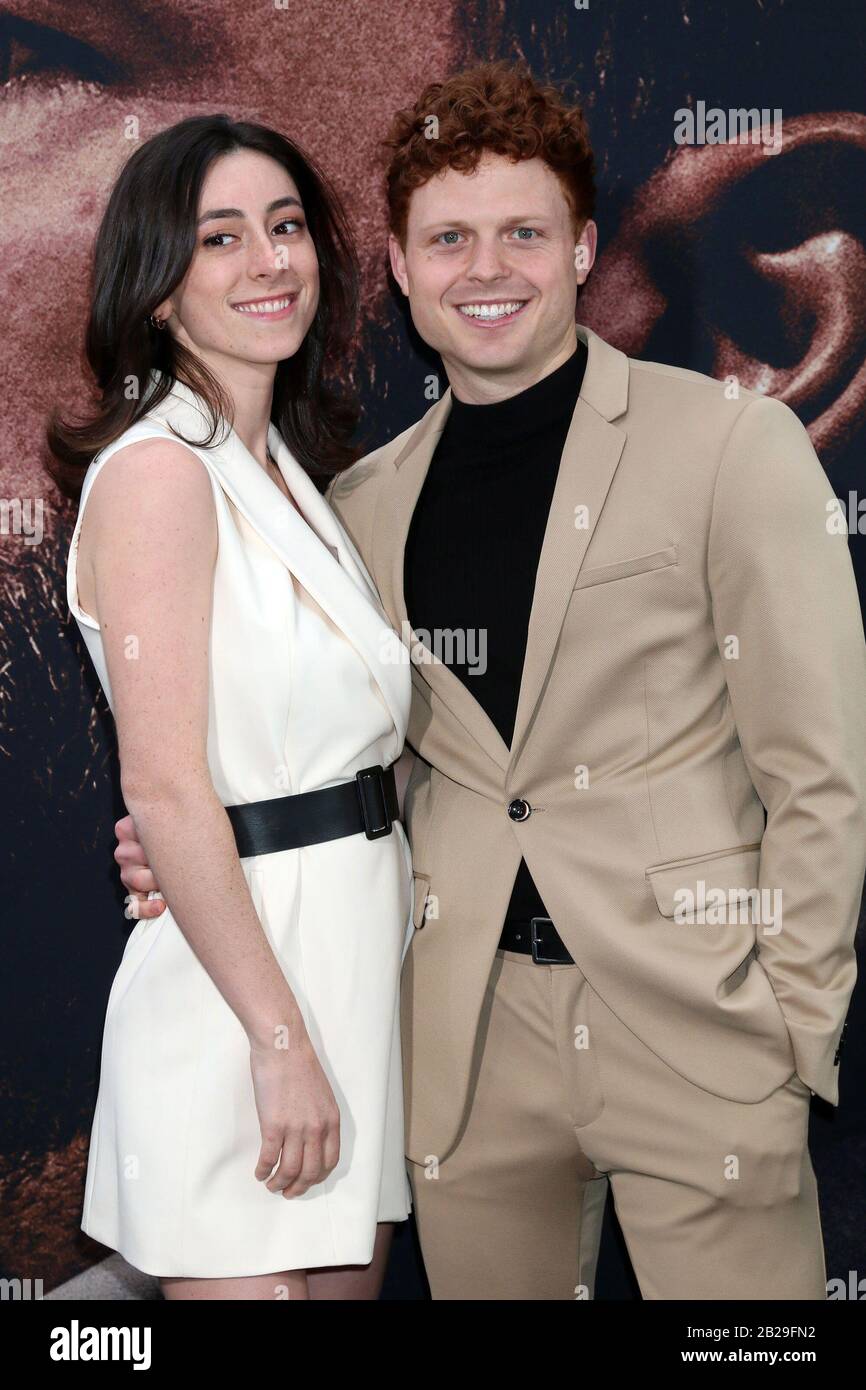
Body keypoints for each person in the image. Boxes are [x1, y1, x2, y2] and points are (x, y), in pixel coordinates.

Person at [115, 63, 866, 1299]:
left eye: (522, 232)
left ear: (580, 249)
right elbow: (345, 751)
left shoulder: (730, 445)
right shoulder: (351, 512)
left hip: (697, 1030)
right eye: (447, 239)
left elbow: (820, 774)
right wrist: (193, 834)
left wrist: (787, 1030)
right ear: (401, 273)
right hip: (458, 1043)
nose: (486, 268)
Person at [51, 114, 417, 1301]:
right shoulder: (161, 471)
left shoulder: (289, 476)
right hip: (241, 998)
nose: (269, 261)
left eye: (286, 226)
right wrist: (277, 1040)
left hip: (346, 967)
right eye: (220, 238)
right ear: (157, 287)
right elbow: (161, 783)